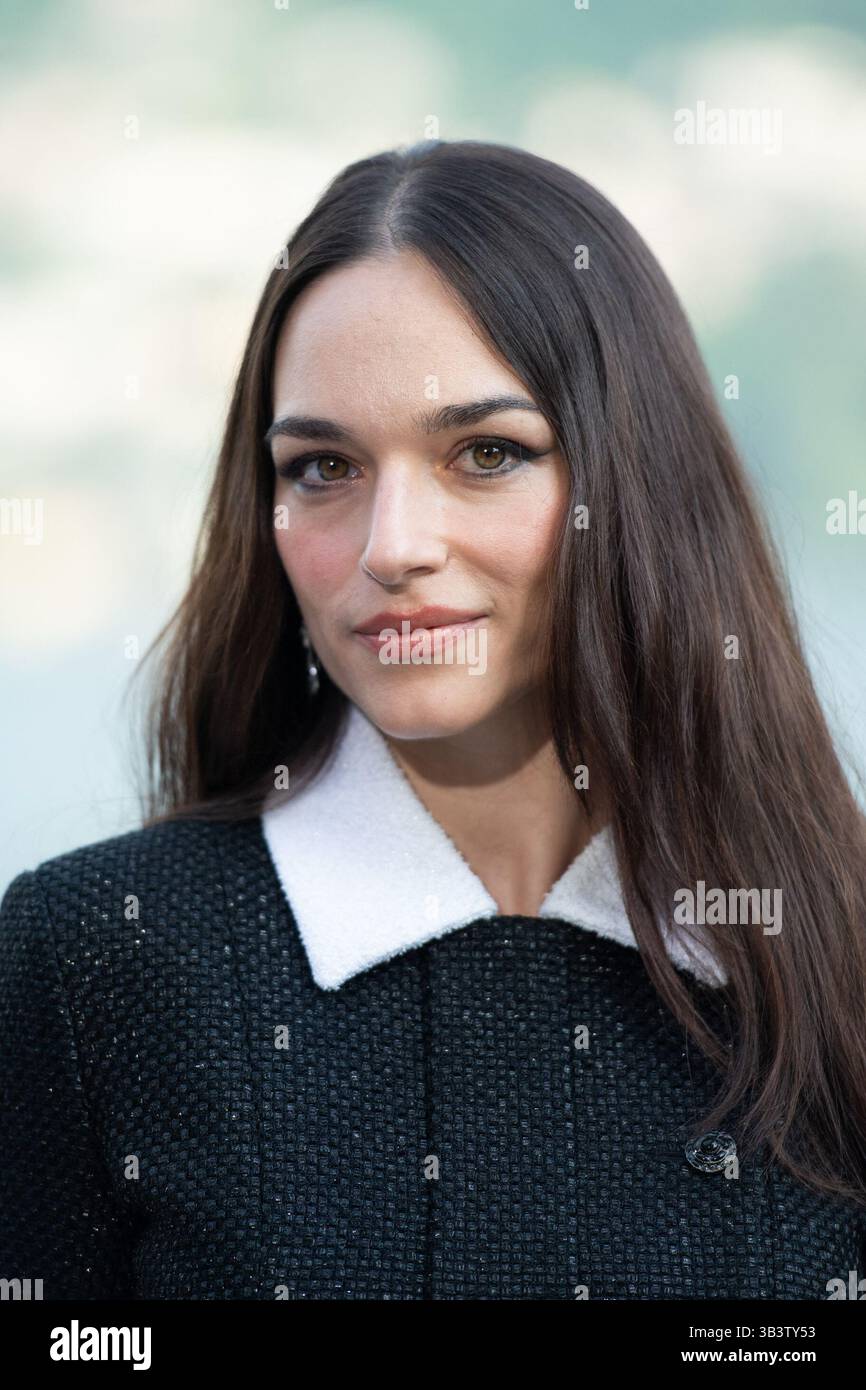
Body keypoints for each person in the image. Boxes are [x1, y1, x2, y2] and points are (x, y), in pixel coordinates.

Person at [2, 139, 865, 1301]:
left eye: (486, 453)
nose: (391, 544)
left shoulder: (835, 951)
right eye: (322, 468)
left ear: (634, 482)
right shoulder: (93, 956)